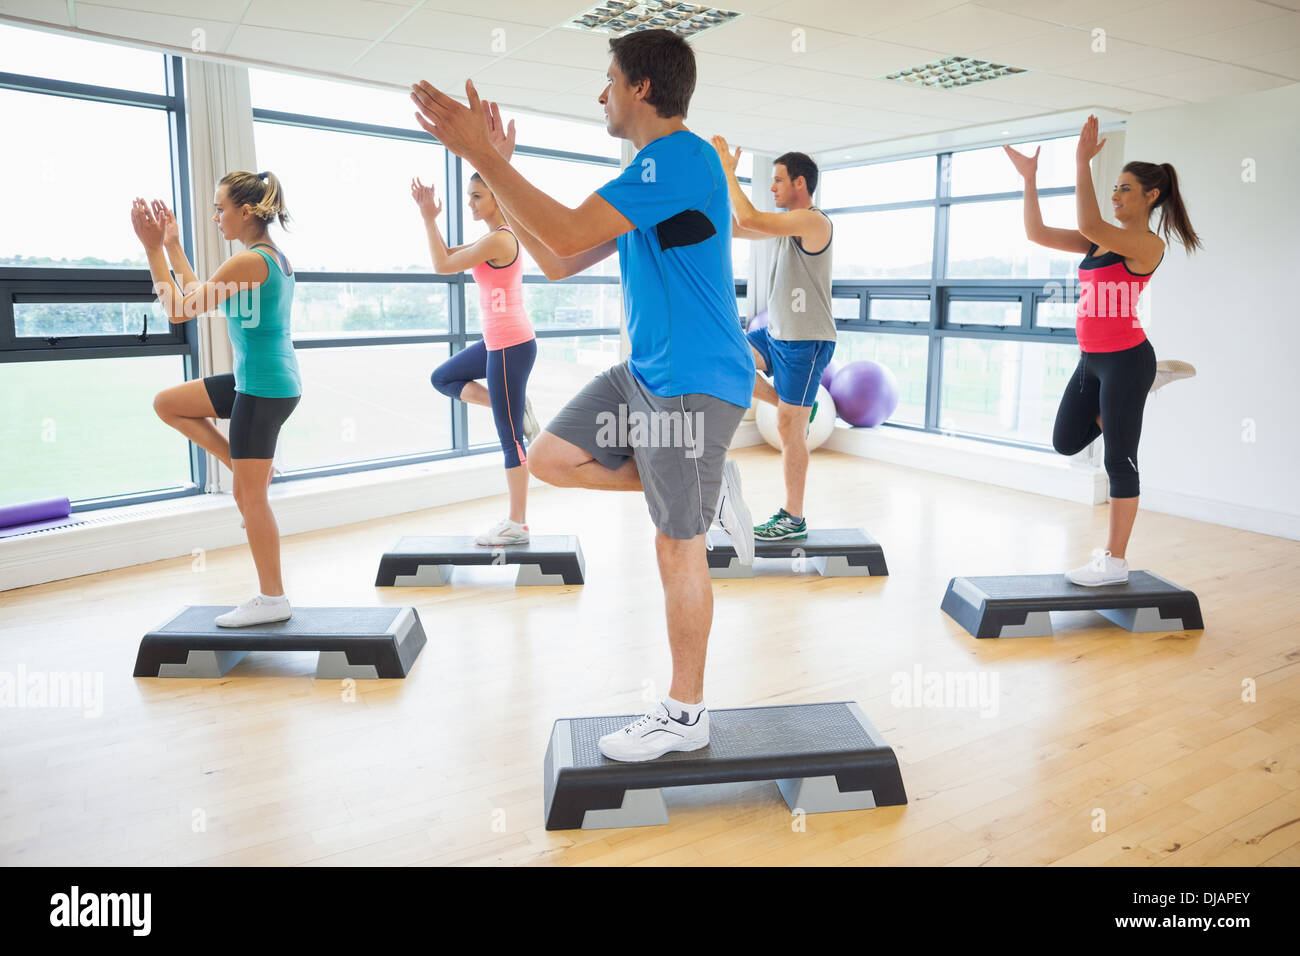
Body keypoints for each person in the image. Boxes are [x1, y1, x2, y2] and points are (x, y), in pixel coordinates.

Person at [410, 28, 756, 761]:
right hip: (645, 372)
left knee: (674, 543)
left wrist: (483, 158)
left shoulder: (682, 160)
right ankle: (706, 483)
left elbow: (563, 227)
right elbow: (561, 256)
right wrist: (498, 172)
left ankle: (686, 715)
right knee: (551, 457)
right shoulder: (645, 174)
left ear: (640, 88)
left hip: (695, 379)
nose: (601, 93)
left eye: (609, 80)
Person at [1005, 116, 1202, 586]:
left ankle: (1115, 562)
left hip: (1126, 359)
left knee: (1119, 460)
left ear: (1151, 196)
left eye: (1125, 189)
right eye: (1114, 187)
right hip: (1090, 361)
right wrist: (1030, 181)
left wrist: (1079, 163)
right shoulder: (1098, 242)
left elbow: (1089, 218)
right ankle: (1142, 390)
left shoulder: (1146, 244)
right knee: (1065, 440)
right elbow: (1037, 233)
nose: (1116, 196)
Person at [134, 171, 302, 626]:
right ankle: (251, 472)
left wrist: (150, 248)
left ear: (245, 212)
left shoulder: (251, 262)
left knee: (248, 499)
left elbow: (177, 309)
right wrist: (171, 245)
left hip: (263, 389)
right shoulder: (267, 259)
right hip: (263, 381)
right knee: (169, 402)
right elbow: (196, 293)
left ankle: (272, 599)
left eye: (220, 208)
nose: (215, 217)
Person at [714, 140, 834, 541]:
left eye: (778, 180)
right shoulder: (786, 227)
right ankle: (788, 403)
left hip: (806, 340)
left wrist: (729, 171)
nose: (772, 188)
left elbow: (749, 217)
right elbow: (735, 225)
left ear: (801, 182)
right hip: (776, 334)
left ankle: (793, 517)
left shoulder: (814, 222)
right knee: (726, 356)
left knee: (788, 430)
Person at [413, 170, 539, 545]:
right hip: (497, 343)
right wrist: (430, 222)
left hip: (509, 347)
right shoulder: (491, 239)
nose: (470, 202)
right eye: (470, 196)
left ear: (497, 198)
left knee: (510, 438)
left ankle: (517, 524)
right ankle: (520, 407)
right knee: (443, 378)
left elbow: (441, 265)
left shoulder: (501, 240)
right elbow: (449, 254)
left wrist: (428, 218)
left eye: (477, 196)